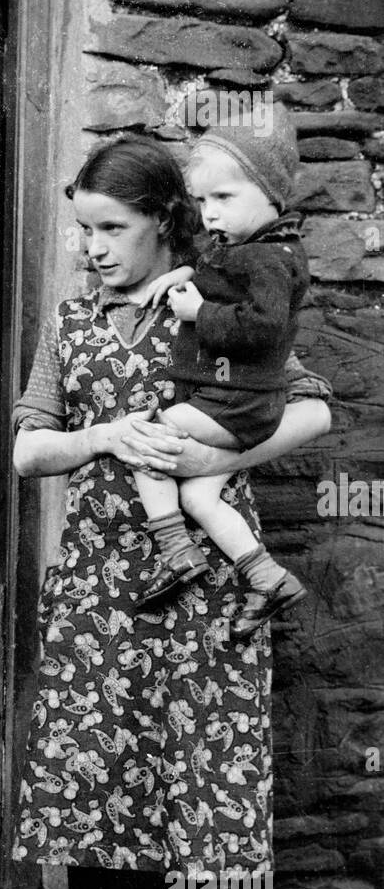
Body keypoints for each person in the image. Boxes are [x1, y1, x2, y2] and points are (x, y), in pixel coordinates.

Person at [0, 133, 331, 889]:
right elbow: (29, 447)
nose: (92, 247)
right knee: (89, 754)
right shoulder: (70, 323)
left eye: (111, 228)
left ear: (162, 222)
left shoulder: (213, 299)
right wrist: (102, 438)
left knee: (198, 757)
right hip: (100, 572)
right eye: (82, 230)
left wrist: (208, 456)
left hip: (207, 575)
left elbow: (310, 406)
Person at [133, 105, 311, 638]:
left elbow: (263, 326)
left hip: (242, 402)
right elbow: (218, 268)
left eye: (225, 198)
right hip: (239, 400)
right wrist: (186, 270)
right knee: (198, 495)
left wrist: (197, 315)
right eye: (203, 201)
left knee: (149, 439)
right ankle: (267, 576)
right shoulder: (253, 246)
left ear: (270, 195)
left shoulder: (271, 260)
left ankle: (177, 554)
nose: (212, 215)